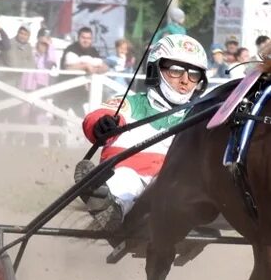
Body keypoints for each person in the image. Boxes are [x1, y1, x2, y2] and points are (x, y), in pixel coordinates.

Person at [78, 34, 209, 231]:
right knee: (127, 178)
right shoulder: (131, 103)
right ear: (155, 69)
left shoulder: (199, 116)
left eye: (194, 74)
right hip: (130, 181)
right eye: (175, 71)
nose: (185, 81)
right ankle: (109, 208)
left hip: (172, 187)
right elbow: (99, 117)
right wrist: (101, 125)